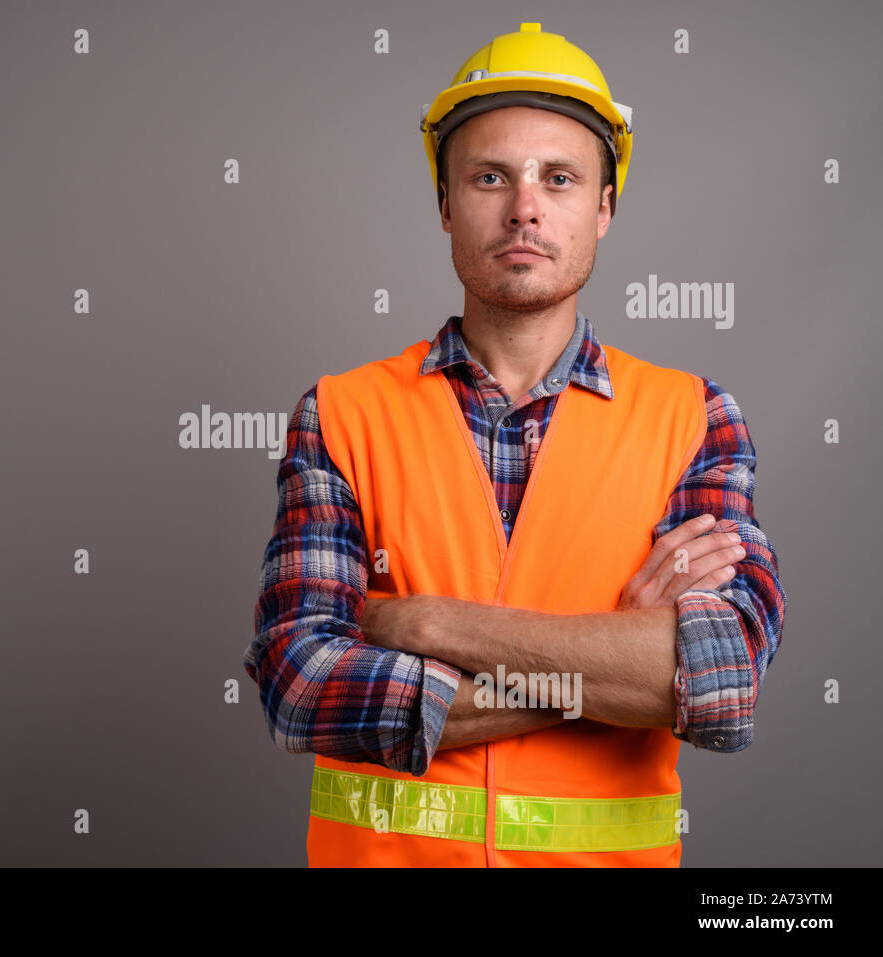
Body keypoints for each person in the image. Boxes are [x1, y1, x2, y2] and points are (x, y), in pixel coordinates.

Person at [241, 22, 786, 867]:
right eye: (491, 176)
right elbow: (301, 688)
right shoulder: (341, 412)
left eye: (559, 178)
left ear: (603, 208)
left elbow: (721, 682)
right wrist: (618, 666)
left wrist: (423, 622)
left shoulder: (694, 417)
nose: (525, 206)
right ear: (447, 205)